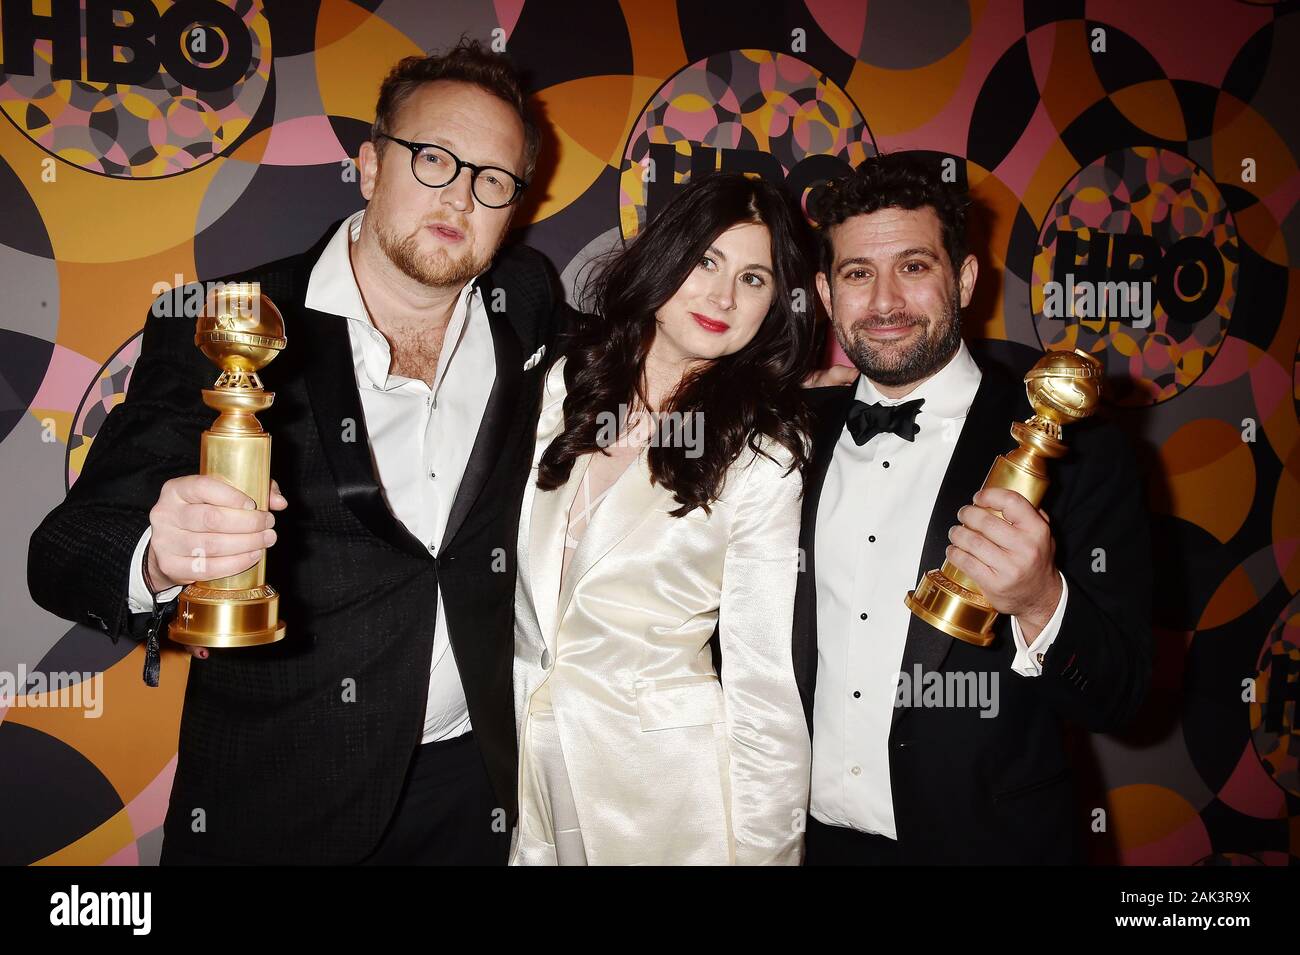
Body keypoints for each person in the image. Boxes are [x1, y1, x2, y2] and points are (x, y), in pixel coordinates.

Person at [27, 40, 561, 865]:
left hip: (474, 794)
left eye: (492, 179)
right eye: (433, 160)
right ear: (371, 165)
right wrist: (157, 555)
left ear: (514, 205)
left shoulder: (526, 302)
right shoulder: (229, 319)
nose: (460, 194)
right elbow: (67, 547)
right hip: (282, 798)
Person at [794, 153, 1152, 864]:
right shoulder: (788, 436)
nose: (885, 301)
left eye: (915, 267)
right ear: (827, 295)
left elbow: (1124, 699)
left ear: (962, 279)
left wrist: (1041, 600)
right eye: (858, 273)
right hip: (808, 847)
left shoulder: (1079, 448)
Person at [511, 172, 814, 865]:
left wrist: (769, 854)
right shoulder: (564, 386)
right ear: (664, 256)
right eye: (706, 260)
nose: (722, 295)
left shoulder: (762, 453)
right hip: (529, 784)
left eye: (754, 279)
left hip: (668, 806)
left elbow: (763, 680)